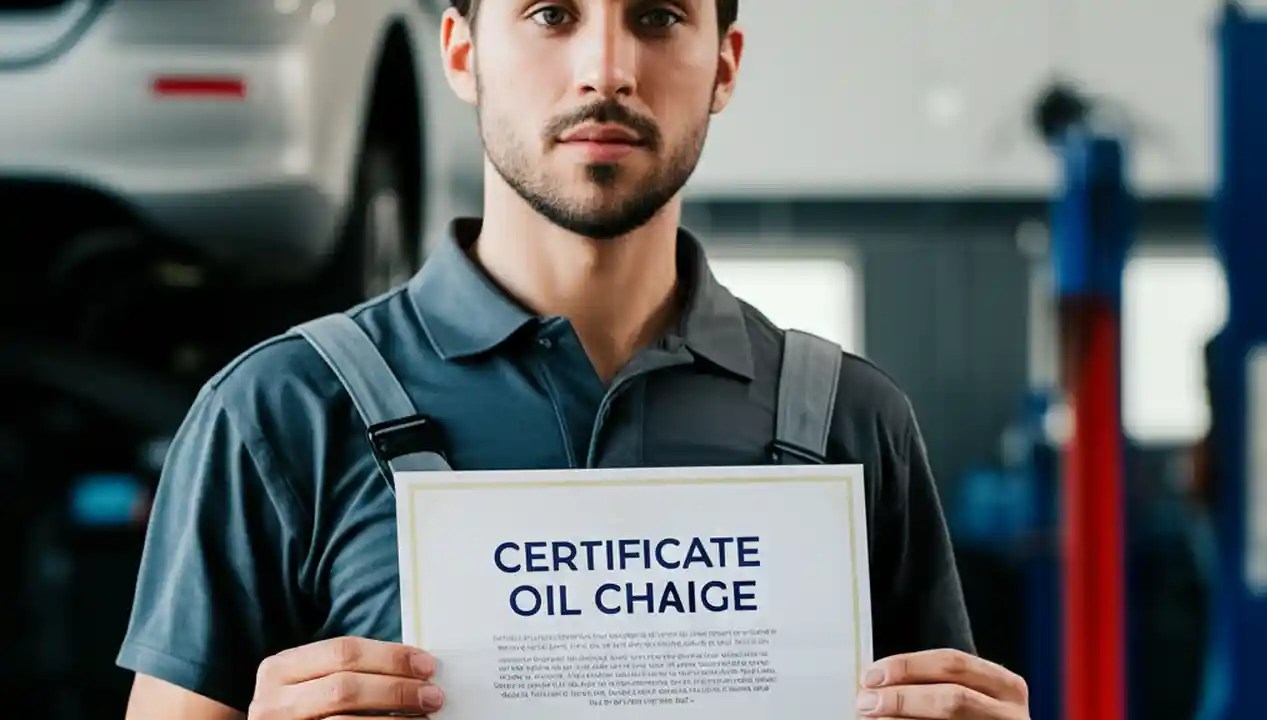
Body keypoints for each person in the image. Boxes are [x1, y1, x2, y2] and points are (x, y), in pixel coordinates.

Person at [118, 0, 1031, 718]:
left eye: (658, 16)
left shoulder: (851, 422)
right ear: (463, 53)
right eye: (551, 13)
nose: (607, 69)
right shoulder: (277, 412)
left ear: (724, 64)